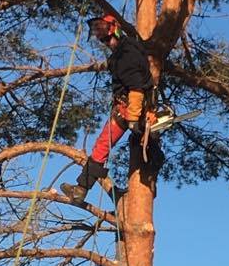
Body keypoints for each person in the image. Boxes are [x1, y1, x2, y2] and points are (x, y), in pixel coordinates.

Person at [60, 14, 163, 205]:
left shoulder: (127, 51)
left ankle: (148, 182)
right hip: (124, 107)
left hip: (134, 107)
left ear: (113, 28)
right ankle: (81, 189)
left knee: (148, 148)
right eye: (97, 31)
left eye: (102, 29)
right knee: (101, 147)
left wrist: (132, 118)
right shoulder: (119, 54)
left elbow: (136, 86)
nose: (100, 35)